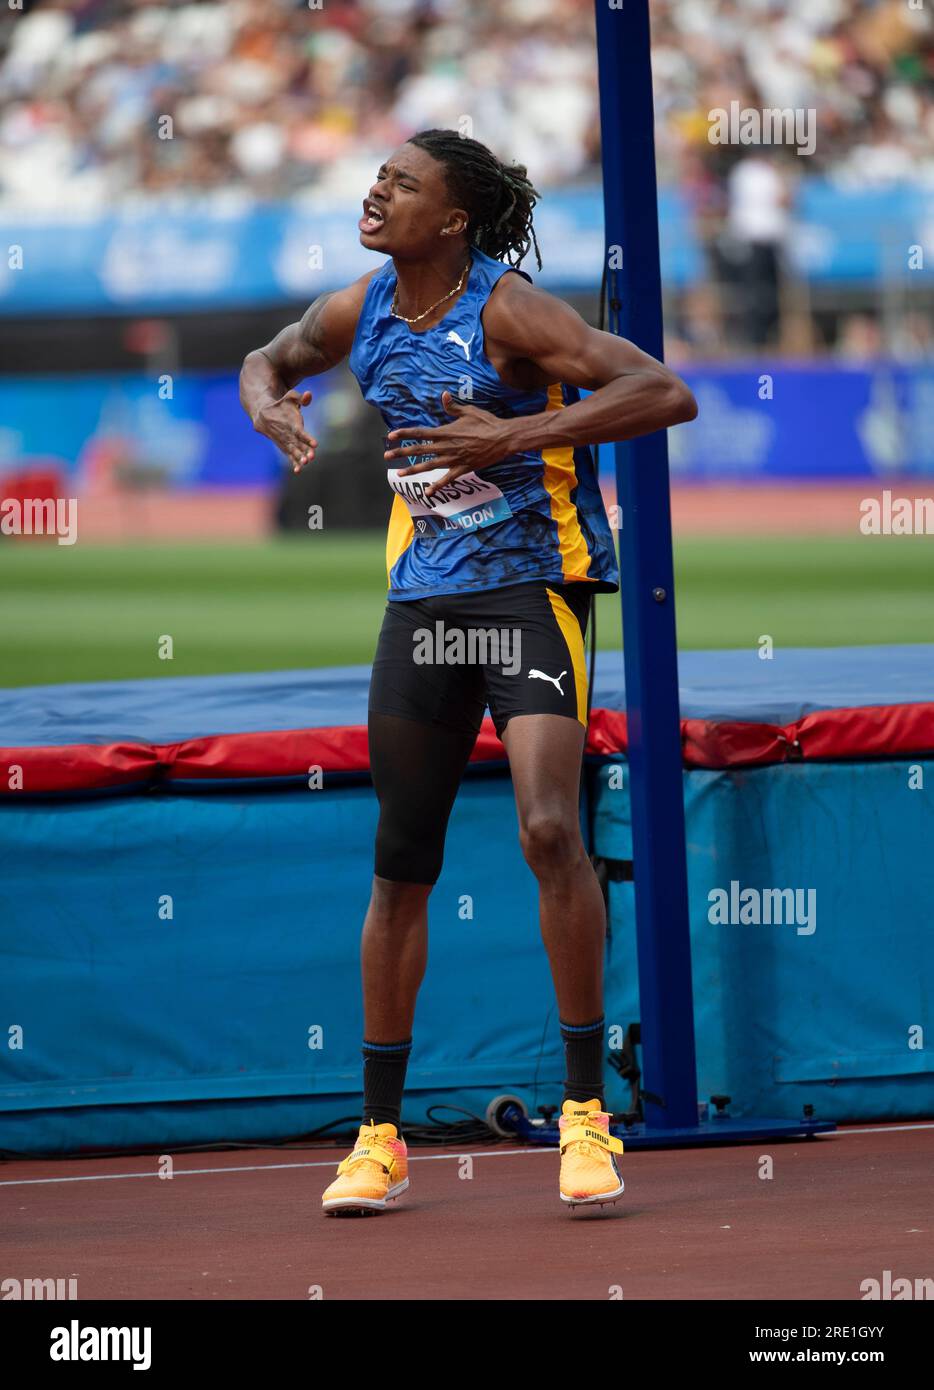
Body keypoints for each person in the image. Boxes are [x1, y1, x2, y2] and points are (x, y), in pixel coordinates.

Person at [240, 129, 697, 1215]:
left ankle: (585, 1114)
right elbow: (274, 355)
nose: (376, 190)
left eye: (401, 183)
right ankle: (379, 1137)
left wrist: (518, 437)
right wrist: (264, 400)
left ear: (452, 219)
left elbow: (662, 393)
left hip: (531, 594)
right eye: (379, 176)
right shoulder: (360, 309)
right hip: (422, 607)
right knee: (401, 863)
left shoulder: (509, 311)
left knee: (549, 828)